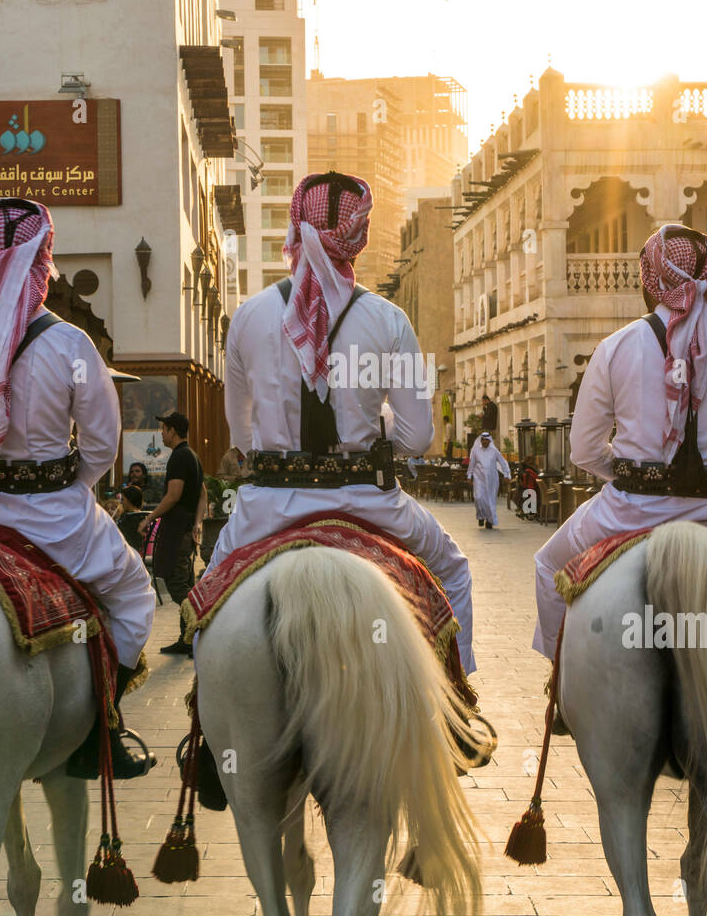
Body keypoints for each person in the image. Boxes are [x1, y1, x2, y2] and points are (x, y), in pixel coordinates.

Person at [208, 170, 476, 676]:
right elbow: (419, 438)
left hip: (267, 506)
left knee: (207, 603)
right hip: (370, 502)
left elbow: (242, 438)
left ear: (294, 224)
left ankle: (206, 739)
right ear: (359, 235)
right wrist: (374, 433)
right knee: (455, 573)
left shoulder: (247, 317)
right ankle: (457, 708)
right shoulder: (389, 319)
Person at [0, 198, 156, 777]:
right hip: (50, 519)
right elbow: (100, 443)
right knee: (134, 590)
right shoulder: (70, 345)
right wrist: (69, 490)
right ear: (46, 256)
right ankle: (103, 729)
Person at [532, 223, 707, 662]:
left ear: (650, 277)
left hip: (630, 511)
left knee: (547, 566)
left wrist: (637, 472)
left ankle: (560, 680)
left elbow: (583, 451)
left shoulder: (614, 348)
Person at [138, 412, 206, 654]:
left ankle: (202, 629)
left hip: (177, 529)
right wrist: (197, 522)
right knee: (184, 581)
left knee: (176, 583)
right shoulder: (192, 456)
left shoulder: (179, 457)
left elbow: (173, 495)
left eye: (164, 428)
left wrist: (149, 517)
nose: (161, 432)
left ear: (173, 431)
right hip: (186, 528)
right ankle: (186, 639)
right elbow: (203, 494)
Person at [467, 431, 510, 528]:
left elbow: (503, 463)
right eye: (483, 440)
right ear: (481, 441)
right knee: (478, 498)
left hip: (492, 480)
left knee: (490, 500)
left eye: (486, 440)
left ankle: (489, 521)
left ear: (489, 441)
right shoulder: (475, 451)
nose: (484, 442)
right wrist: (469, 477)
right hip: (479, 479)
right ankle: (481, 516)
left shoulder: (494, 452)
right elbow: (472, 465)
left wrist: (506, 475)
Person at [117, 484, 147, 555]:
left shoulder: (127, 518)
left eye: (123, 499)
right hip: (142, 553)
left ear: (129, 500)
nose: (121, 502)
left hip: (128, 554)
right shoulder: (144, 516)